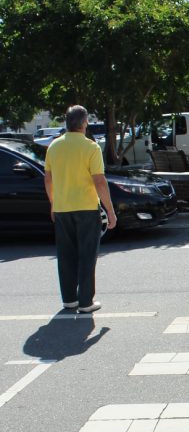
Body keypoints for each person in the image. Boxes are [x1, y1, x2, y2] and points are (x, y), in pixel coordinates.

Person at [43, 105, 117, 314]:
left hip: (62, 207)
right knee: (87, 254)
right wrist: (110, 210)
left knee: (65, 254)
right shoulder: (90, 147)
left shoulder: (53, 147)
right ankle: (86, 301)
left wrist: (53, 203)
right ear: (84, 123)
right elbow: (100, 181)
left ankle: (69, 299)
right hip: (86, 208)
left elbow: (48, 179)